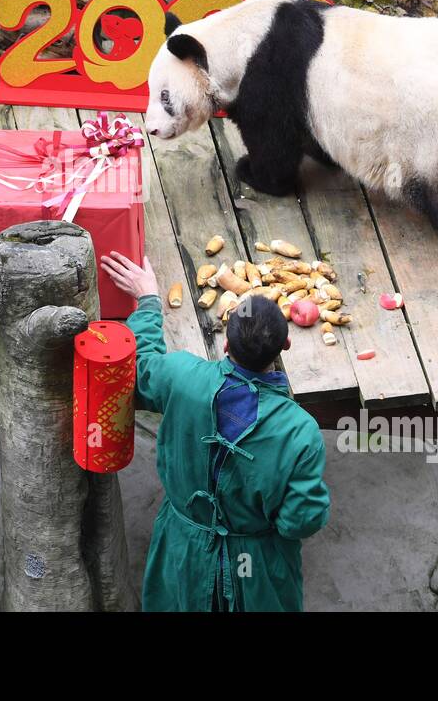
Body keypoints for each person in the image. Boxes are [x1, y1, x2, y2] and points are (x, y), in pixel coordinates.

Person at [99, 250, 331, 612]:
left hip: (183, 542)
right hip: (255, 565)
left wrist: (147, 301)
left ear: (226, 343)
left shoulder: (182, 378)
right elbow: (301, 519)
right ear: (285, 346)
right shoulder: (300, 432)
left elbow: (139, 365)